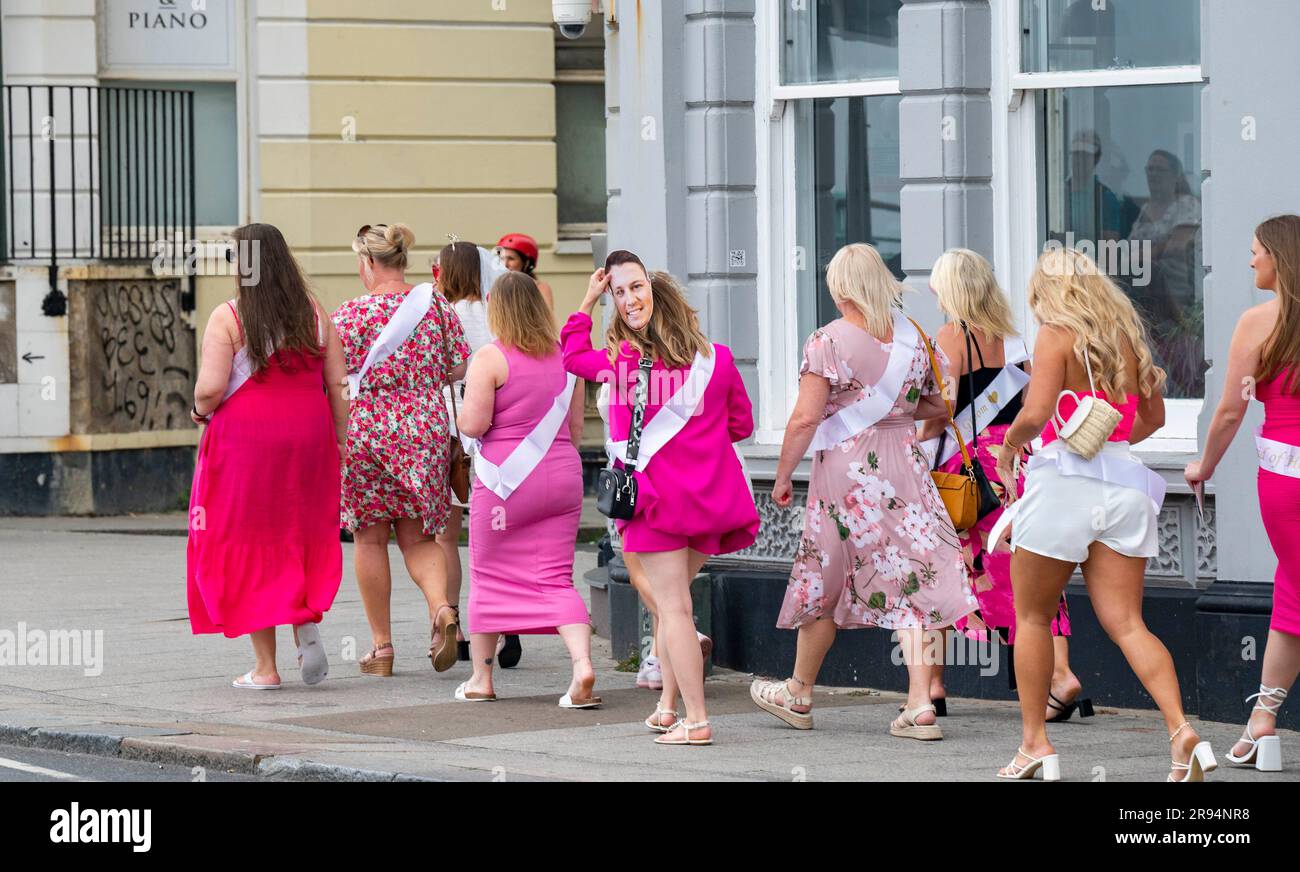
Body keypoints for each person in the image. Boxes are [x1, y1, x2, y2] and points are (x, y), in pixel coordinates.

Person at [992, 246, 1215, 782]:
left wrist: (1009, 447)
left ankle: (1034, 745)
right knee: (1129, 622)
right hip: (1124, 484)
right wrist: (1105, 439)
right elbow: (1153, 418)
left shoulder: (1054, 335)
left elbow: (1038, 411)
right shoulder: (1126, 340)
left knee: (1033, 618)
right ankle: (1181, 731)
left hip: (1063, 484)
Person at [752, 243, 977, 740]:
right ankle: (920, 704)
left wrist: (784, 473)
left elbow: (807, 416)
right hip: (906, 468)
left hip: (846, 476)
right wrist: (896, 415)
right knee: (913, 576)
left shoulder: (826, 341)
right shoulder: (916, 337)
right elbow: (942, 405)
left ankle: (799, 692)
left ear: (840, 287)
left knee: (826, 572)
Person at [562, 250, 758, 745]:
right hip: (710, 502)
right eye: (618, 292)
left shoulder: (622, 362)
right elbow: (743, 426)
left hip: (657, 504)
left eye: (632, 290)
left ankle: (697, 721)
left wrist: (586, 300)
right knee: (672, 609)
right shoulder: (719, 358)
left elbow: (569, 356)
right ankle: (668, 706)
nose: (626, 300)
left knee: (674, 611)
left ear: (654, 299)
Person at [918, 249, 1088, 722]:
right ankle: (1061, 672)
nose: (932, 292)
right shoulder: (1017, 340)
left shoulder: (949, 338)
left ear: (951, 289)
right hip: (1016, 461)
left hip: (966, 469)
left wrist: (913, 433)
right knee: (1036, 563)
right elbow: (1038, 405)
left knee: (946, 566)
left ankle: (932, 685)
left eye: (937, 284)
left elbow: (940, 412)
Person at [187, 222, 348, 689]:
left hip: (248, 442)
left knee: (249, 540)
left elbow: (213, 386)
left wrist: (199, 410)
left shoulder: (229, 318)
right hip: (309, 436)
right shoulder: (316, 313)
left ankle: (266, 668)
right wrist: (338, 441)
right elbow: (338, 384)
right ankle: (303, 619)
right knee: (297, 530)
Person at [1185, 214, 1300, 772]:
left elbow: (1231, 409)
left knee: (1293, 588)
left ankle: (1262, 721)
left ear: (1280, 257)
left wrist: (1203, 466)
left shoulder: (1257, 323)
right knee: (1293, 589)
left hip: (1285, 480)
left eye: (1256, 251)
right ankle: (1262, 720)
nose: (1250, 260)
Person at [453, 272, 595, 704]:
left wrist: (461, 410)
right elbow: (574, 430)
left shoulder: (490, 359)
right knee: (556, 579)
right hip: (562, 478)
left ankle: (481, 679)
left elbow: (473, 424)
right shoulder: (567, 359)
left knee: (487, 577)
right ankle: (582, 666)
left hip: (505, 486)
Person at [334, 223, 469, 676]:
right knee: (419, 537)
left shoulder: (348, 315)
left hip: (368, 432)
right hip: (425, 431)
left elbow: (333, 379)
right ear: (403, 260)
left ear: (369, 262)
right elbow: (459, 366)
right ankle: (441, 610)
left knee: (370, 537)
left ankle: (382, 647)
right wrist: (420, 380)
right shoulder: (435, 306)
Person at [433, 240, 525, 668]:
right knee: (498, 534)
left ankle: (451, 621)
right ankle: (508, 626)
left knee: (445, 537)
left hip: (451, 436)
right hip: (494, 435)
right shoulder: (496, 315)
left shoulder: (436, 315)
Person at [496, 233, 554, 309]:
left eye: (511, 258)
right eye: (502, 258)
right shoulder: (494, 286)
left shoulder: (540, 288)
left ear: (526, 263)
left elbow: (547, 318)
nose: (505, 264)